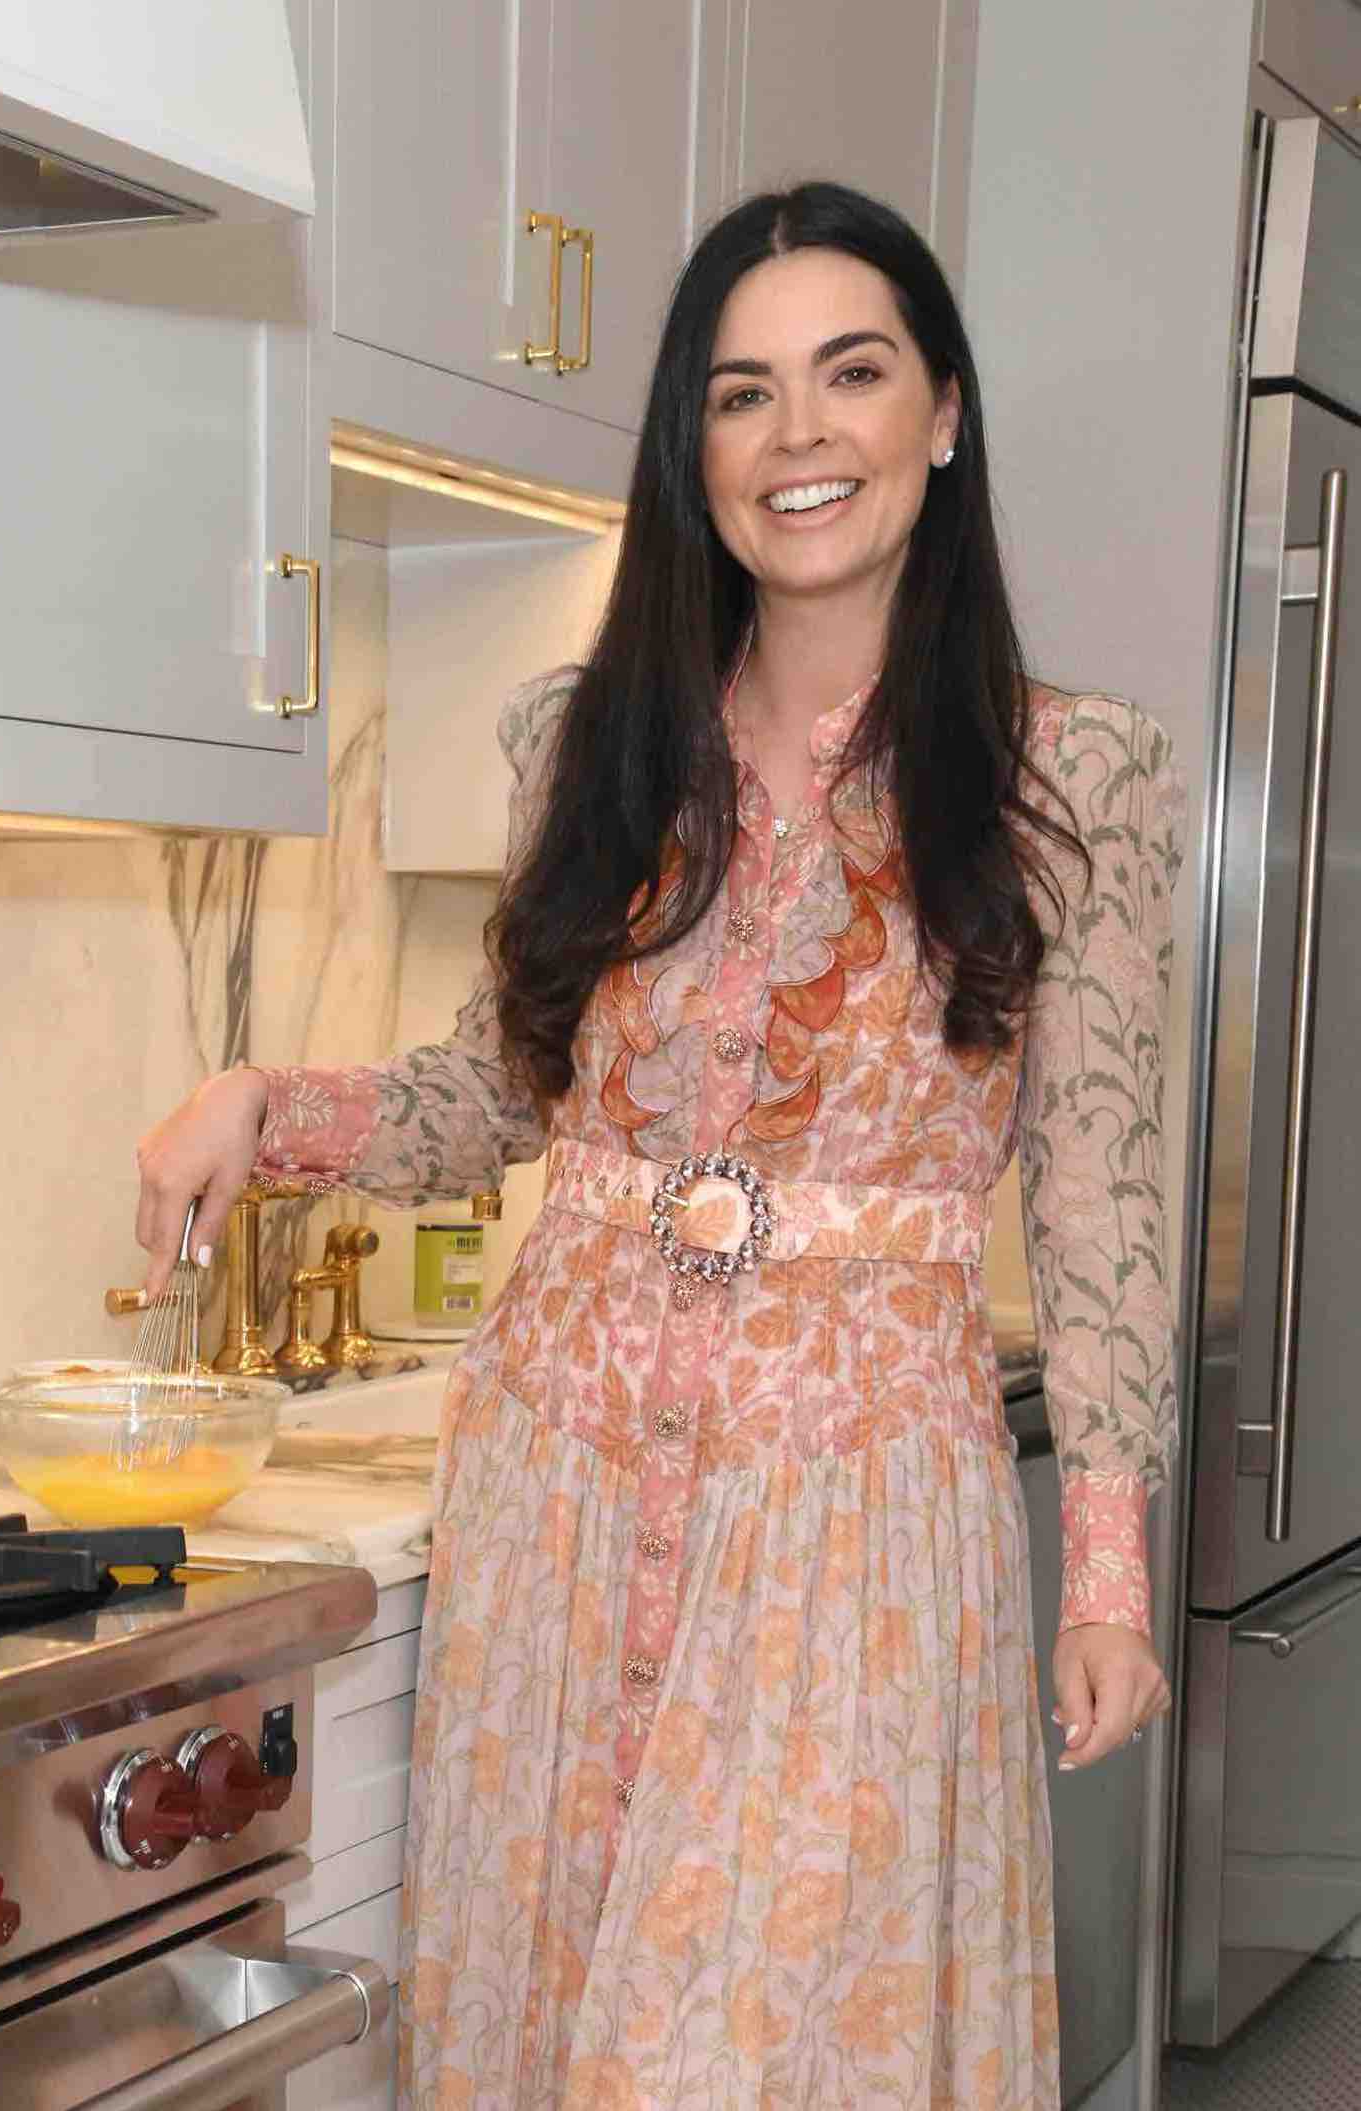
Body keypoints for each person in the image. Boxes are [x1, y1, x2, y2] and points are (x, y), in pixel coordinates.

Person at [133, 182, 1177, 2109]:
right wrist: (264, 1108)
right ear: (690, 450)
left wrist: (1106, 1572)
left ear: (941, 413)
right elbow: (494, 1094)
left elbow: (1101, 1194)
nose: (797, 437)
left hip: (848, 1528)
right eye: (739, 393)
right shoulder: (582, 744)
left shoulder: (1073, 774)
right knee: (551, 2028)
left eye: (850, 375)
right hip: (559, 1488)